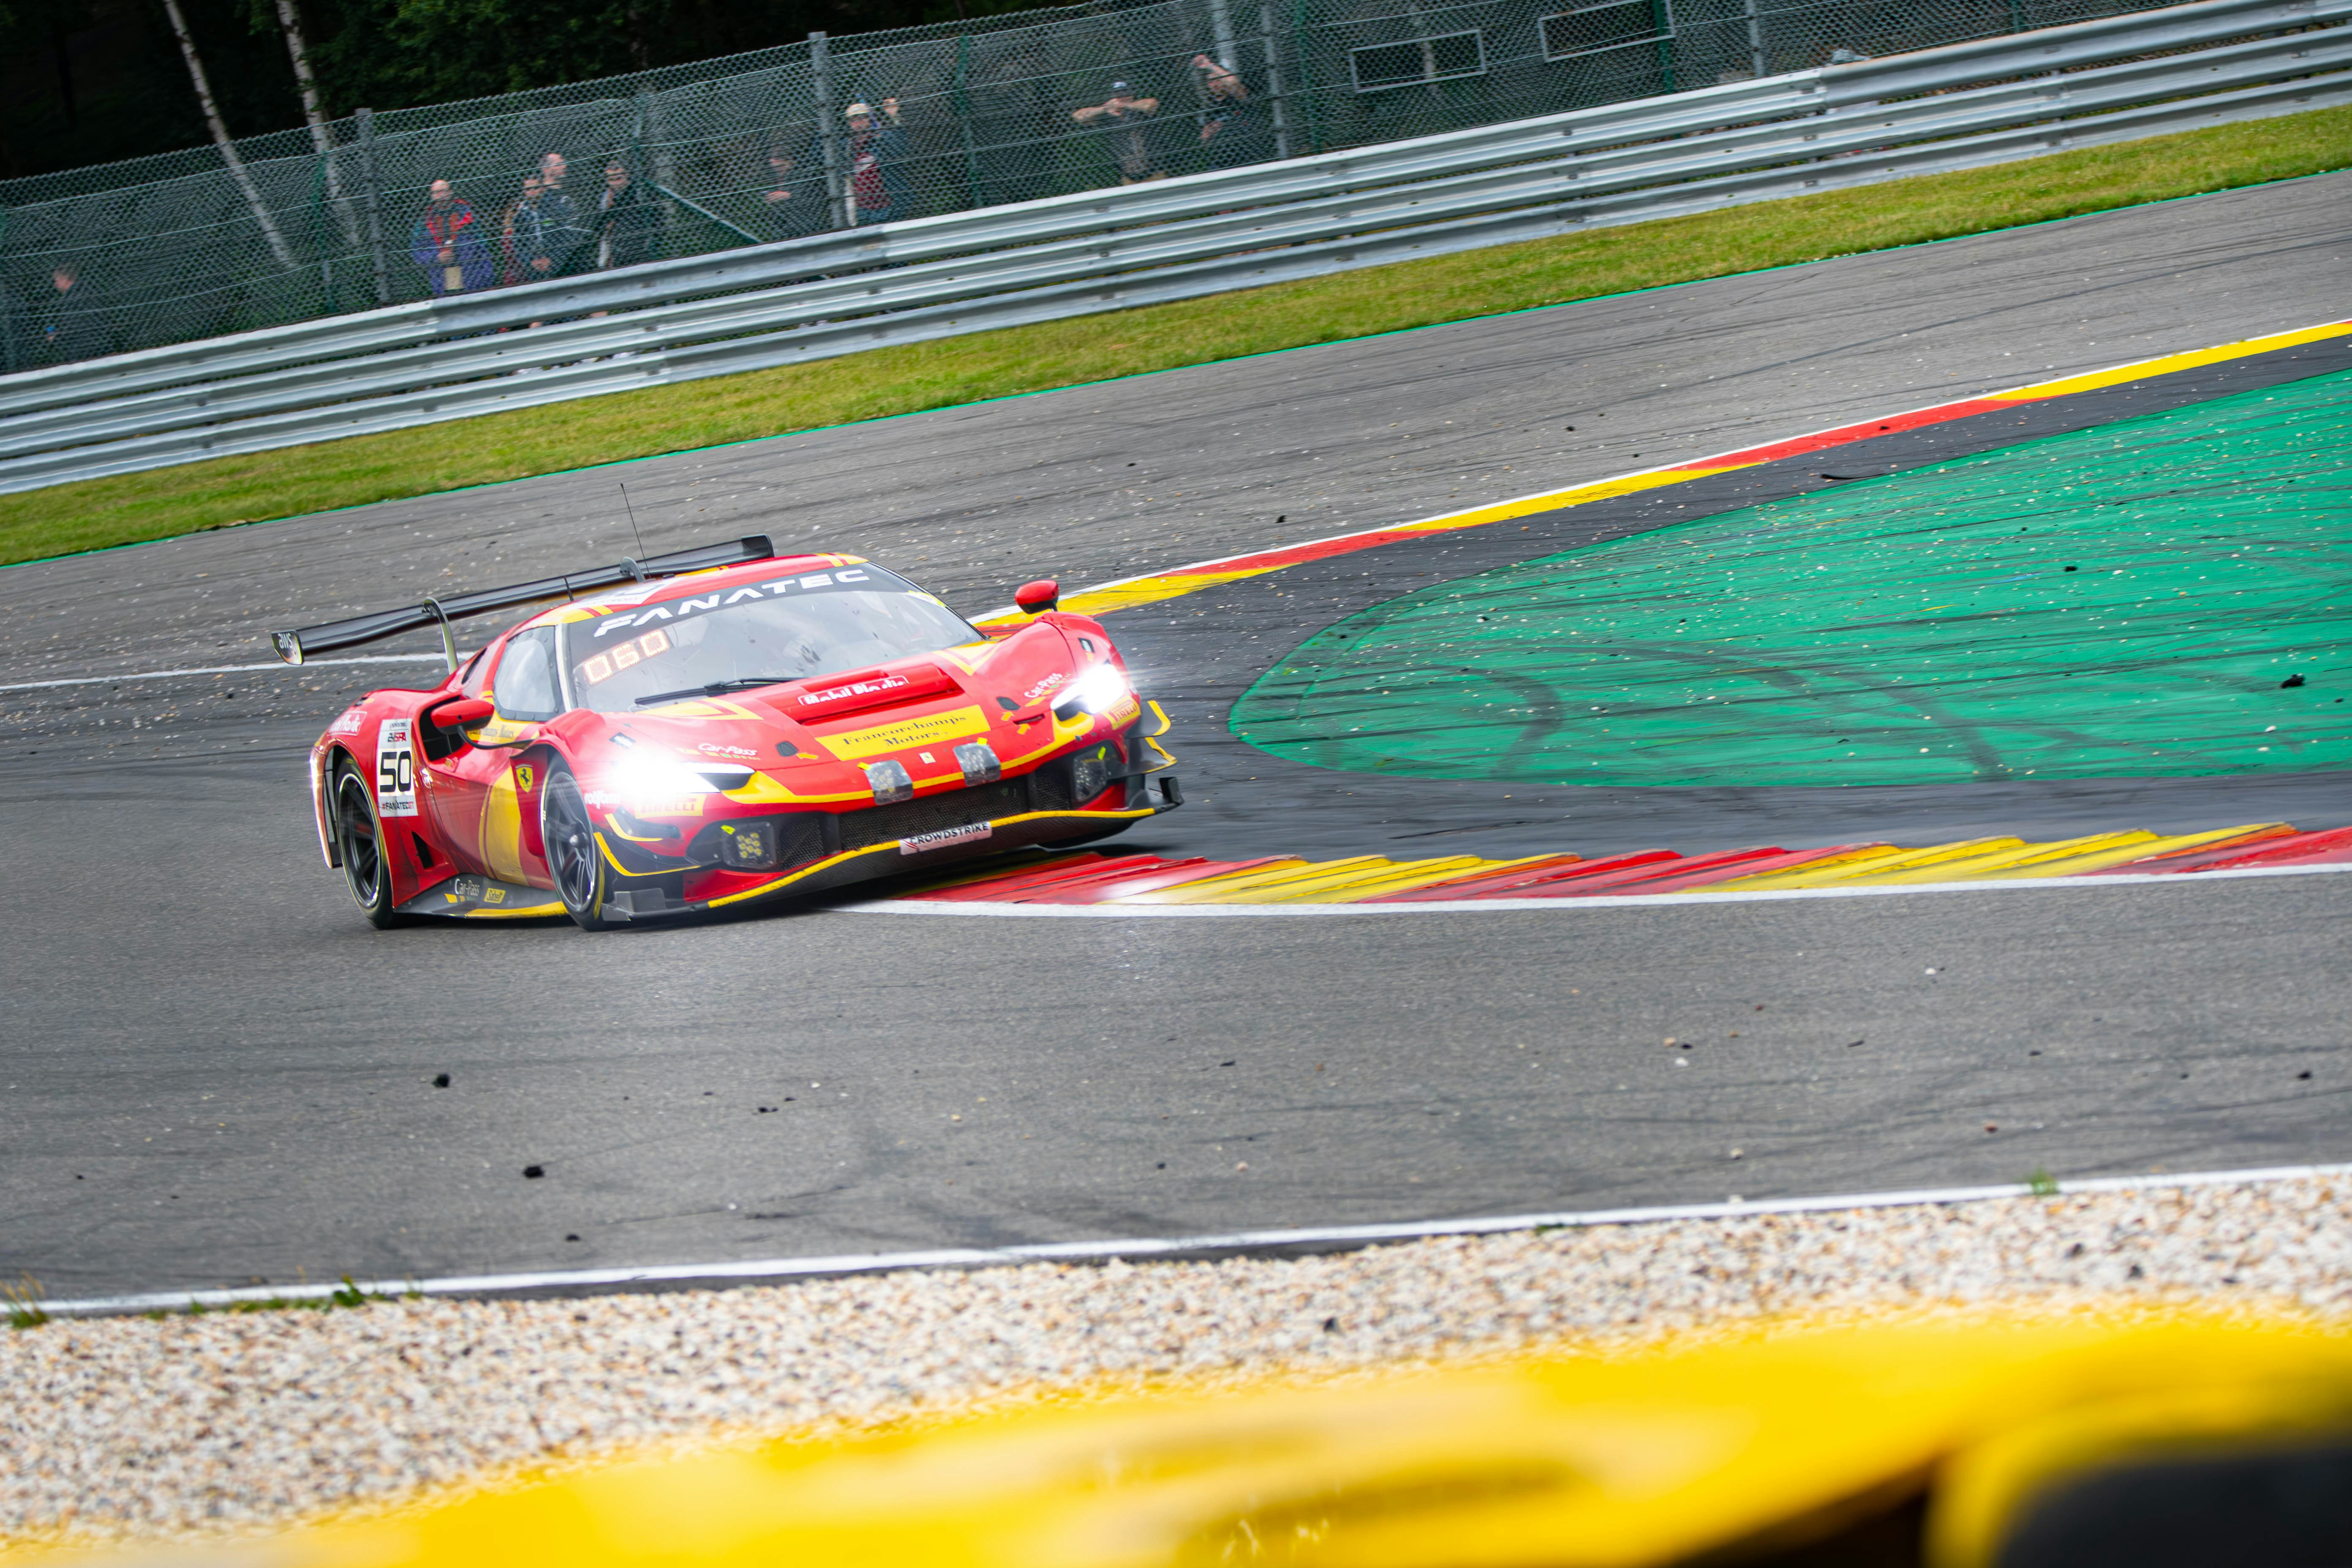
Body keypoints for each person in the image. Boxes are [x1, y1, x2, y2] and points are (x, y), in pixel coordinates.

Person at [408, 178, 494, 297]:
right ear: (432, 196)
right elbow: (417, 251)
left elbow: (483, 243)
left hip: (472, 274)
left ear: (450, 192)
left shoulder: (467, 215)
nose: (440, 195)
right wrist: (436, 258)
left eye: (443, 191)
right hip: (442, 277)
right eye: (436, 193)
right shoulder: (424, 222)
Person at [1072, 81, 1164, 184]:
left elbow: (1150, 104)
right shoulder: (1106, 117)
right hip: (1128, 176)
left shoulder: (1140, 110)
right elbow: (1078, 116)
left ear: (1132, 94)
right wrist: (1106, 108)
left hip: (1155, 172)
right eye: (1118, 94)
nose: (1122, 96)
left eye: (1125, 93)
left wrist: (1124, 105)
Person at [1192, 54, 1271, 170]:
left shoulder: (1237, 97)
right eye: (1211, 81)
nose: (1214, 84)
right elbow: (1204, 139)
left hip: (1247, 152)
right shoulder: (1209, 107)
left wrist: (1210, 66)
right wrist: (1210, 133)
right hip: (1221, 158)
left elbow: (1233, 83)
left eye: (1217, 80)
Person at [841, 98, 912, 226]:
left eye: (863, 118)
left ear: (869, 119)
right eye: (855, 120)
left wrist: (894, 117)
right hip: (862, 207)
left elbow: (902, 147)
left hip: (888, 203)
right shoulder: (847, 146)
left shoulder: (881, 137)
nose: (859, 123)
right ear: (850, 123)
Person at [27, 263, 114, 365]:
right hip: (104, 346)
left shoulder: (69, 301)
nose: (56, 285)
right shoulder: (91, 292)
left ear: (64, 279)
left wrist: (55, 338)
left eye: (57, 281)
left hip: (83, 352)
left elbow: (70, 328)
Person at [532, 150, 590, 277]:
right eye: (558, 165)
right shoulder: (544, 199)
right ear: (546, 170)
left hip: (578, 255)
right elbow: (545, 231)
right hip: (559, 260)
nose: (564, 167)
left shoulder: (566, 193)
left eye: (564, 164)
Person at [593, 158, 657, 270]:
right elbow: (600, 223)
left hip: (642, 243)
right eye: (612, 180)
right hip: (618, 247)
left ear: (626, 175)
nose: (616, 183)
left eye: (619, 178)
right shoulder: (606, 198)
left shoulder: (639, 191)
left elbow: (656, 216)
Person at [762, 144, 827, 240]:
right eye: (774, 166)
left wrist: (789, 196)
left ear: (789, 161)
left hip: (807, 222)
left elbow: (813, 199)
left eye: (780, 165)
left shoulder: (803, 175)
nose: (777, 169)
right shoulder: (773, 178)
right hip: (785, 225)